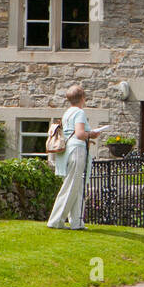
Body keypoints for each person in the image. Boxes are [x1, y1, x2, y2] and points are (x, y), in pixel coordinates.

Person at [47, 85, 101, 230]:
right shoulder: (79, 113)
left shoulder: (67, 113)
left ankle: (77, 222)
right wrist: (92, 134)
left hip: (69, 151)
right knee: (71, 186)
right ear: (82, 98)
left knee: (77, 186)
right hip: (77, 150)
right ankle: (56, 221)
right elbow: (80, 134)